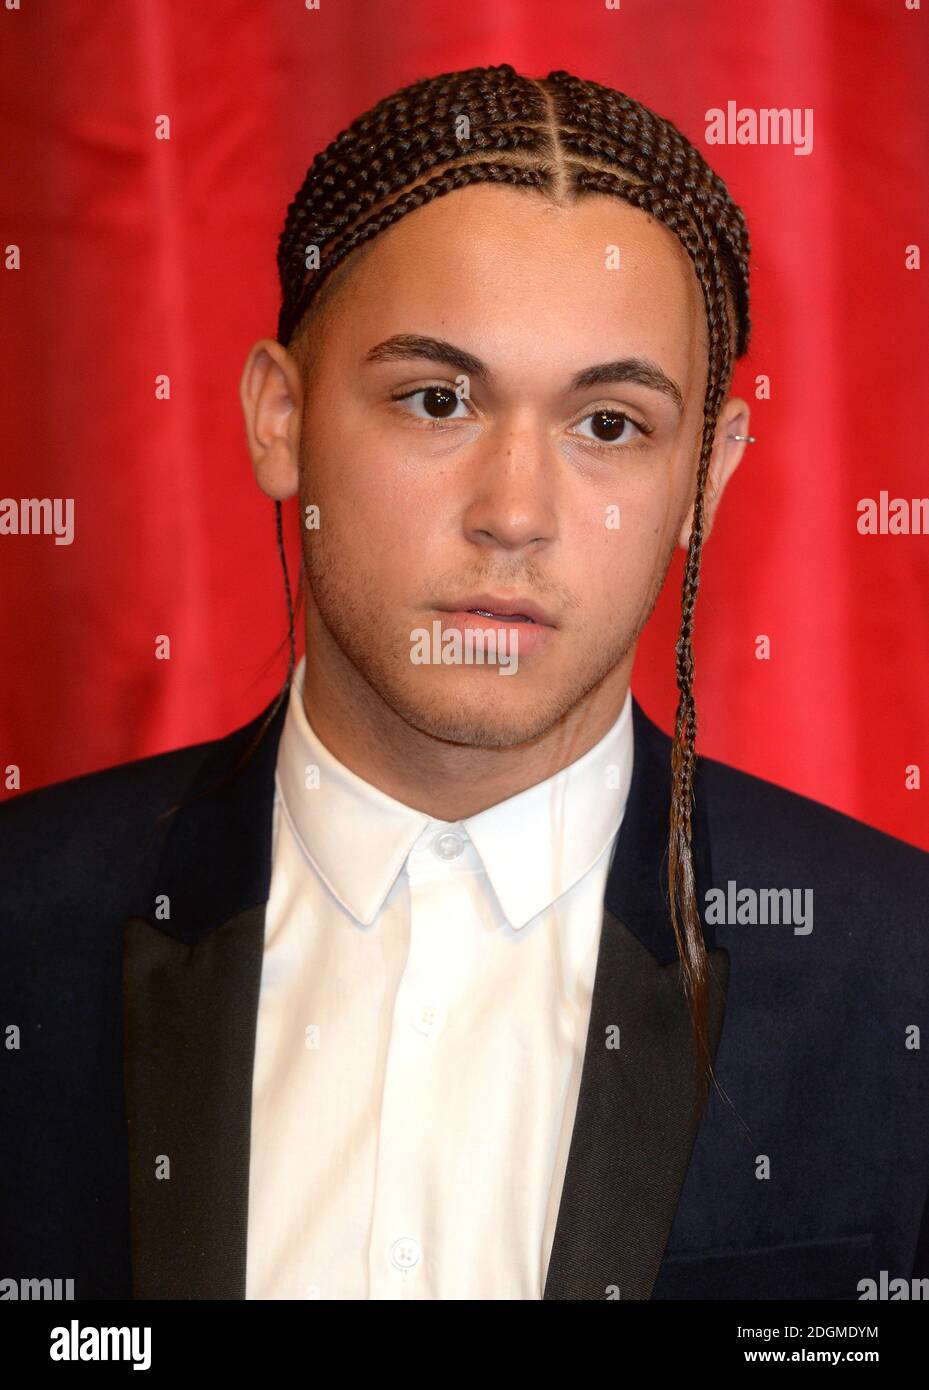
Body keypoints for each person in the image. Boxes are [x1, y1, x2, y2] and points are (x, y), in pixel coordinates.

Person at [2, 63, 927, 1303]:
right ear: (280, 418)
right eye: (436, 401)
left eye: (608, 424)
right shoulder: (24, 928)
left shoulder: (895, 978)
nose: (514, 514)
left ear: (706, 472)